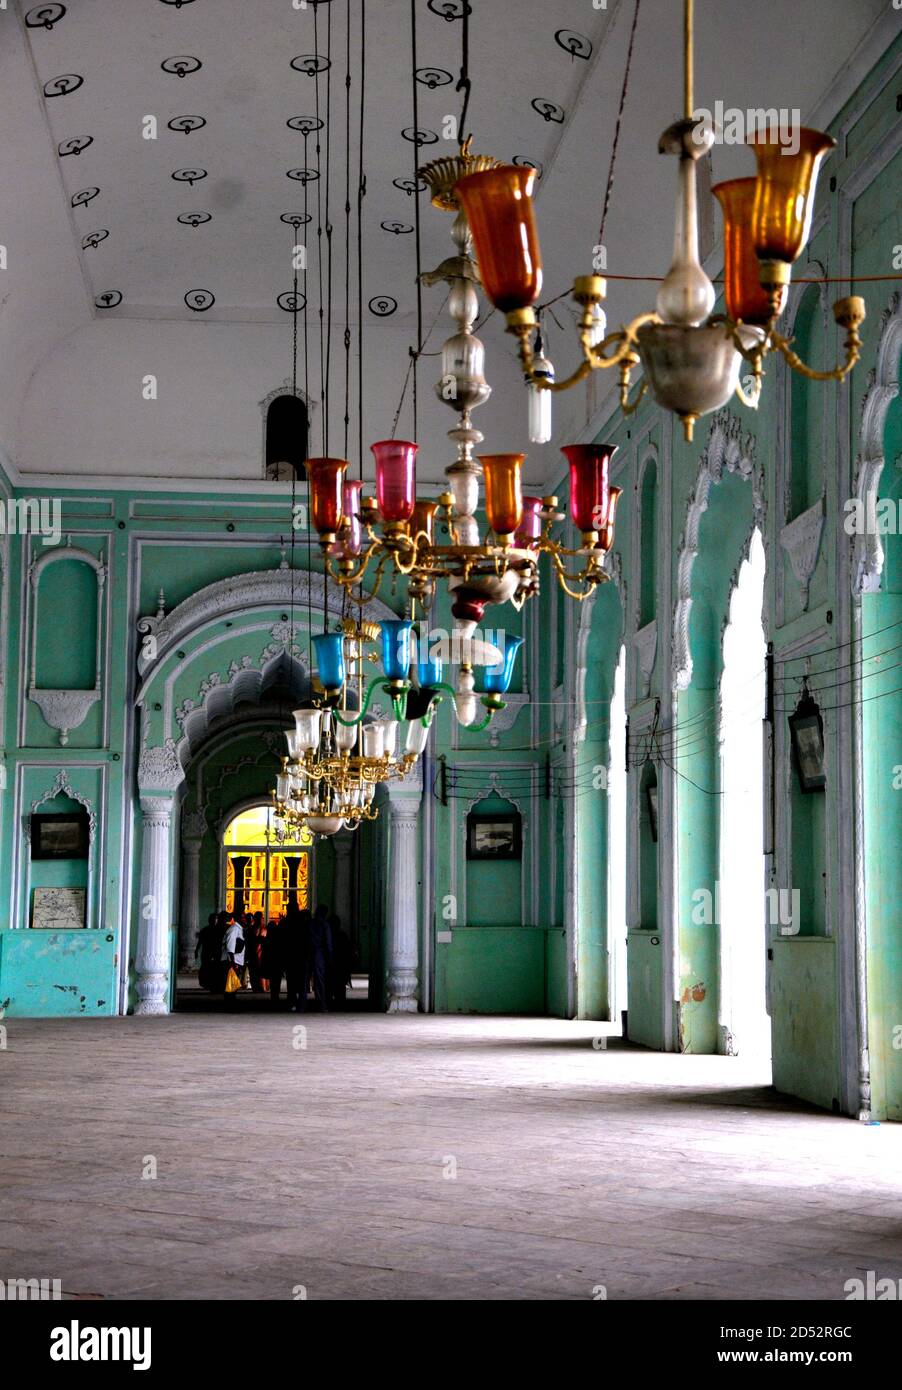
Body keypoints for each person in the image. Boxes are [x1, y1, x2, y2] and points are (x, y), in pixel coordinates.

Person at [285, 906, 311, 1011]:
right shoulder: (306, 928)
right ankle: (301, 1004)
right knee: (303, 983)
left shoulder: (290, 926)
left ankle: (293, 1003)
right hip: (302, 958)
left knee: (291, 982)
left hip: (292, 958)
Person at [309, 904, 332, 1012]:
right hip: (320, 953)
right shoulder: (324, 925)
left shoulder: (310, 923)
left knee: (305, 979)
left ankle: (302, 1005)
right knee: (320, 980)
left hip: (308, 952)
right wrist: (330, 957)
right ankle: (322, 1004)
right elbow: (328, 943)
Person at [328, 913, 352, 1008]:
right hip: (341, 965)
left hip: (333, 964)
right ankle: (340, 1004)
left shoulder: (329, 935)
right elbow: (347, 951)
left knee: (330, 985)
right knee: (340, 986)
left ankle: (330, 1003)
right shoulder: (342, 935)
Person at [196, 911, 224, 992]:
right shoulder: (205, 930)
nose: (215, 921)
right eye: (213, 919)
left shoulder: (219, 930)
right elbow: (200, 941)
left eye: (216, 919)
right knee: (206, 968)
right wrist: (196, 950)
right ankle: (207, 984)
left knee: (215, 969)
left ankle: (214, 985)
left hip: (216, 953)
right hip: (207, 952)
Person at [220, 912, 246, 1001]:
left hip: (235, 961)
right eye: (242, 917)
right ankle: (229, 1001)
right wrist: (233, 963)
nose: (244, 919)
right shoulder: (234, 929)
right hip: (231, 961)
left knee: (233, 982)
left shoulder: (239, 929)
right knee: (230, 983)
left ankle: (231, 999)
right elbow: (230, 947)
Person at [264, 918, 286, 1005]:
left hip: (271, 961)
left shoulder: (268, 938)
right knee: (277, 980)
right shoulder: (279, 937)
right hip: (278, 961)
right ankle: (275, 996)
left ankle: (274, 996)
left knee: (273, 981)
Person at [247, 911, 269, 993]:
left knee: (257, 970)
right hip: (256, 952)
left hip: (258, 952)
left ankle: (260, 987)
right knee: (256, 970)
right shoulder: (256, 928)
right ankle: (258, 987)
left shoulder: (260, 928)